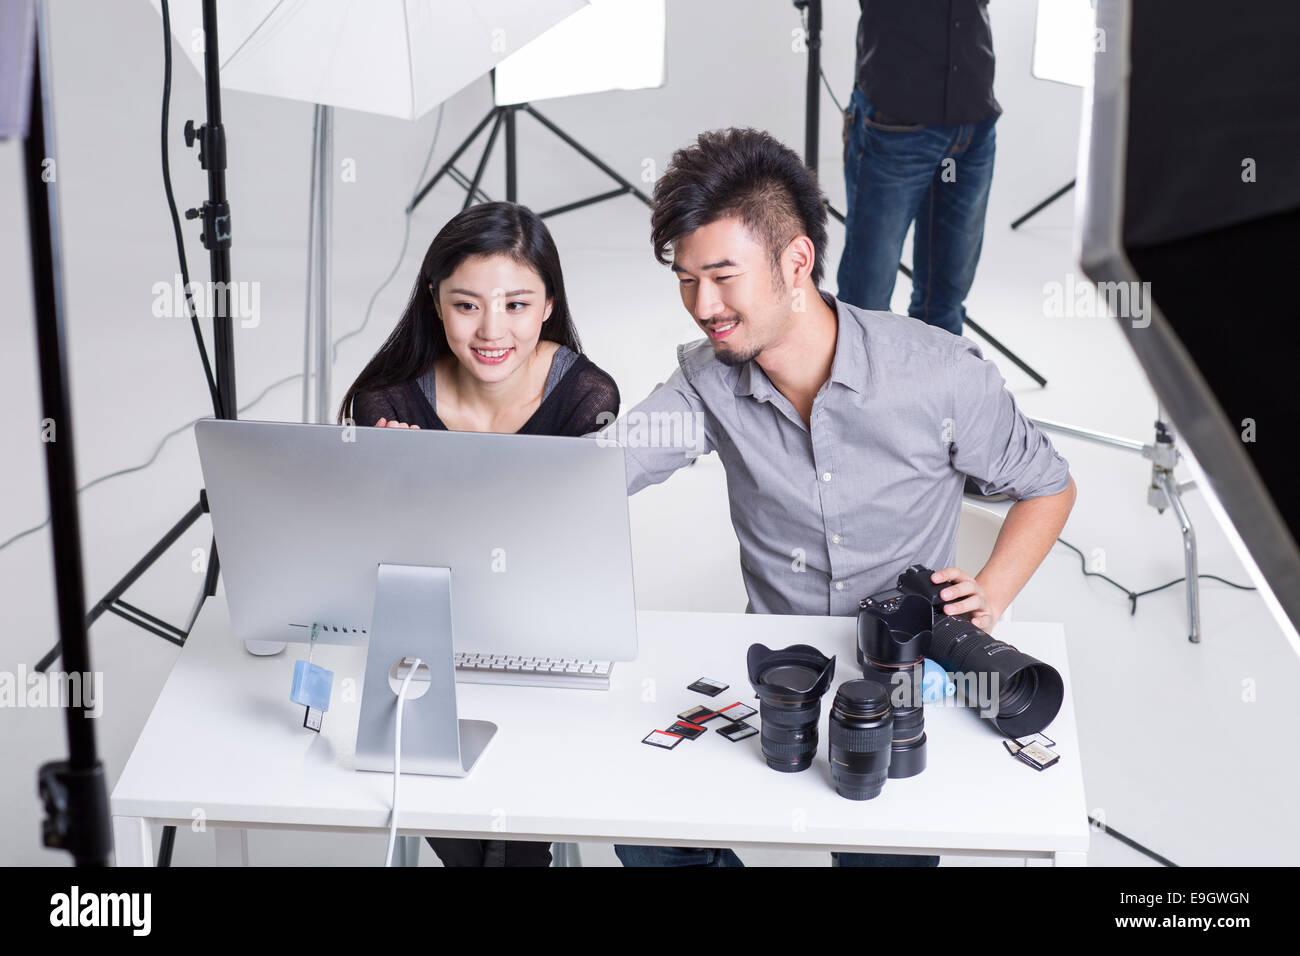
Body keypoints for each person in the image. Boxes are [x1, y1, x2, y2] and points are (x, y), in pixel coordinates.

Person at [593, 127, 1076, 867]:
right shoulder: (707, 382)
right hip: (779, 670)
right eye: (687, 279)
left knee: (887, 855)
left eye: (723, 276)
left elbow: (1048, 484)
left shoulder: (939, 373)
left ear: (796, 261)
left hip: (908, 680)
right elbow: (601, 470)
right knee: (647, 834)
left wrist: (992, 592)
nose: (703, 304)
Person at [338, 201, 619, 867]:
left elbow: (570, 551)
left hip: (542, 633)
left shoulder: (588, 396)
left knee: (506, 841)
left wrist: (434, 488)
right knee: (467, 819)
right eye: (467, 306)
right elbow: (370, 563)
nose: (493, 330)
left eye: (517, 305)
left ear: (549, 304)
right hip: (429, 641)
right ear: (434, 302)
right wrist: (391, 481)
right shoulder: (389, 399)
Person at [836, 0, 999, 337]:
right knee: (866, 300)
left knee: (946, 297)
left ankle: (935, 386)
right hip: (896, 124)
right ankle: (859, 387)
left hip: (972, 119)